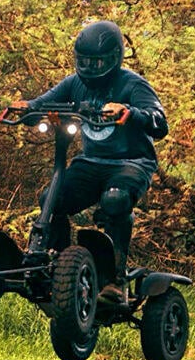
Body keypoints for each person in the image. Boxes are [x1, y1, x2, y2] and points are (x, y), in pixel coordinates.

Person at [10, 20, 168, 303]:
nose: (91, 68)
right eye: (85, 61)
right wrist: (28, 107)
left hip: (131, 162)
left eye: (98, 62)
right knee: (51, 198)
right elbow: (44, 102)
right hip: (92, 161)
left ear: (114, 58)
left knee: (116, 200)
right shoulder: (74, 83)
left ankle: (115, 280)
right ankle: (57, 267)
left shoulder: (132, 84)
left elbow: (160, 122)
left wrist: (131, 112)